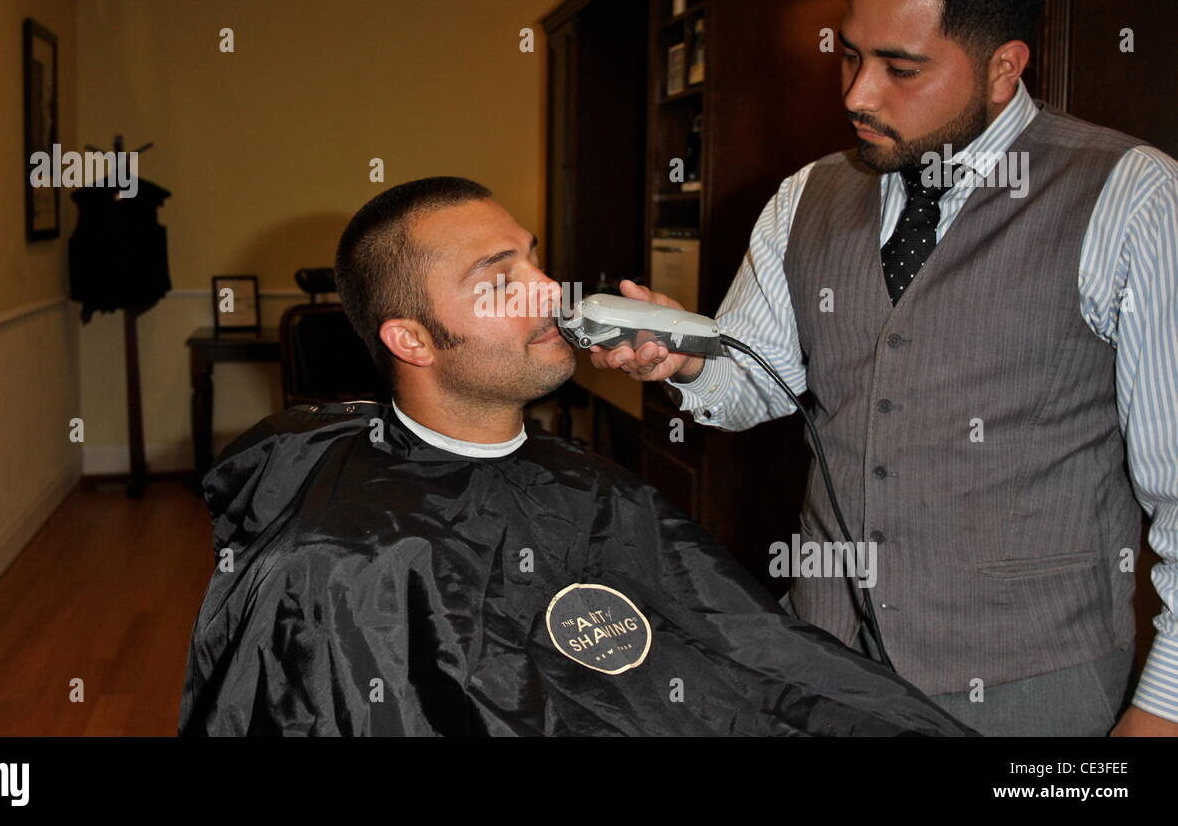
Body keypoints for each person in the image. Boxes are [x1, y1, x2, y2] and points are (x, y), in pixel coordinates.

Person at [591, 0, 1178, 737]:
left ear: (1005, 68)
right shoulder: (807, 195)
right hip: (822, 663)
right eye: (850, 55)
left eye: (902, 68)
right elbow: (757, 379)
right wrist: (685, 361)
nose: (858, 95)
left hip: (1033, 687)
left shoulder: (1132, 198)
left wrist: (1163, 714)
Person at [178, 176, 976, 736]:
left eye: (534, 257)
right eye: (501, 283)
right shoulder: (336, 566)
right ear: (410, 339)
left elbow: (749, 666)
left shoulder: (590, 485)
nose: (551, 291)